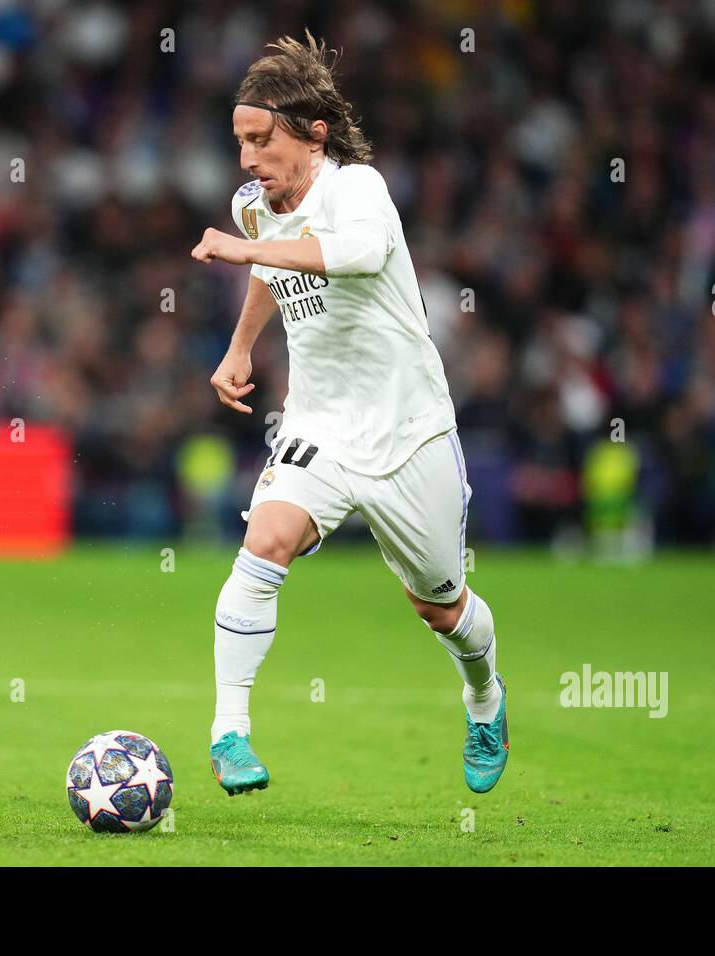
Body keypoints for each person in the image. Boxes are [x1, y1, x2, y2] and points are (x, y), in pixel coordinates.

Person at [190, 31, 507, 796]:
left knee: (439, 605)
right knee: (264, 541)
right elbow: (271, 260)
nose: (248, 161)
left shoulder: (358, 189)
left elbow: (356, 254)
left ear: (312, 134)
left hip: (408, 430)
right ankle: (229, 731)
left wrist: (240, 251)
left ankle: (486, 696)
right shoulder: (256, 205)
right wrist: (240, 346)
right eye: (240, 143)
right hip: (318, 424)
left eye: (261, 141)